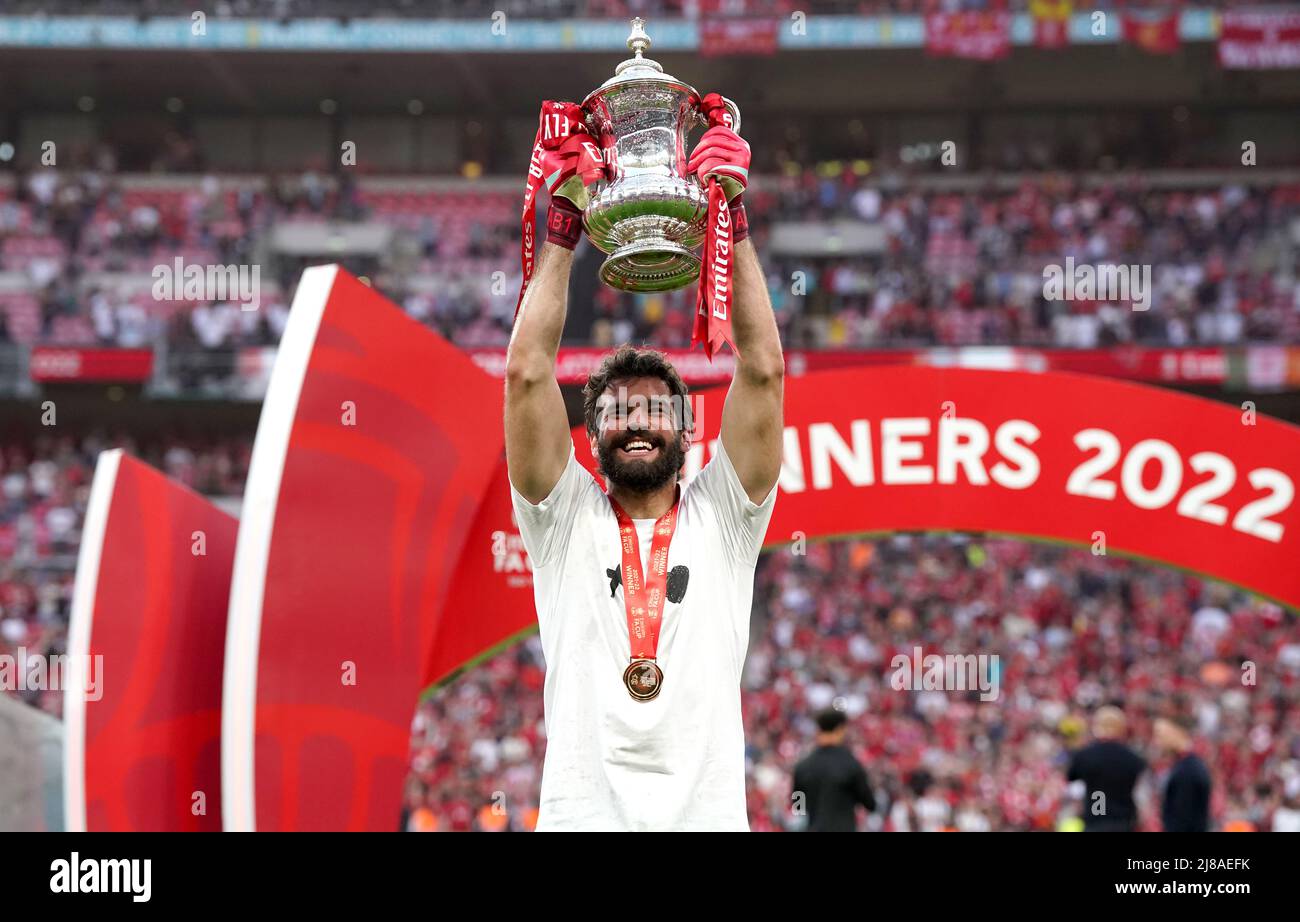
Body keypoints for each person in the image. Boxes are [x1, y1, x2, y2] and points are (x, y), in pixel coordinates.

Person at [504, 105, 784, 830]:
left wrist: (734, 216)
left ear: (688, 432)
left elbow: (762, 371)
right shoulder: (561, 519)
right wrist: (564, 223)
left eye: (657, 410)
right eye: (617, 410)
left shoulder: (727, 517)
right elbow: (528, 374)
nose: (636, 421)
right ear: (590, 434)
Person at [791, 708, 876, 832]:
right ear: (840, 729)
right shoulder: (850, 764)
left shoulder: (803, 766)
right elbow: (870, 804)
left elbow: (798, 807)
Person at [1065, 706, 1146, 831]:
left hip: (1096, 818)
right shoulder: (1133, 758)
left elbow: (1073, 787)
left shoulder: (1084, 756)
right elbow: (1141, 794)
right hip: (1123, 822)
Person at [1153, 715, 1212, 832]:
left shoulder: (1186, 771)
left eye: (1160, 736)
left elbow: (1182, 819)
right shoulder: (1189, 765)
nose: (1157, 742)